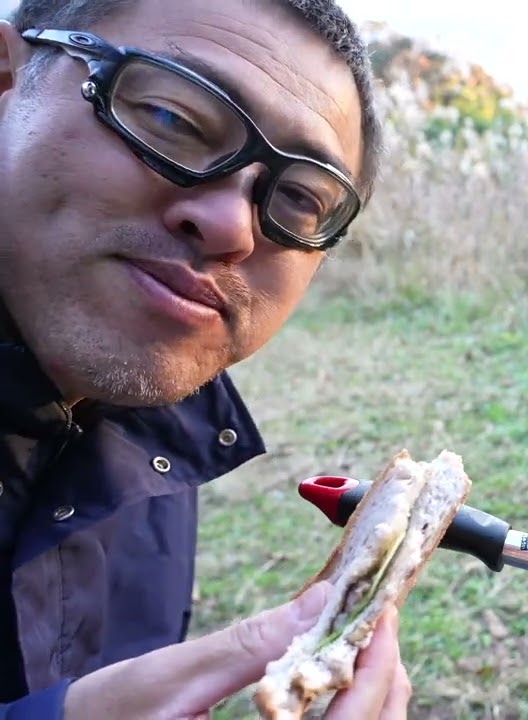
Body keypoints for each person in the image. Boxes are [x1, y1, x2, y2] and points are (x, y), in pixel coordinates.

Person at [0, 0, 411, 717]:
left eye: (300, 200)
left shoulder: (164, 423)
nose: (231, 227)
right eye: (172, 119)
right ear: (8, 79)